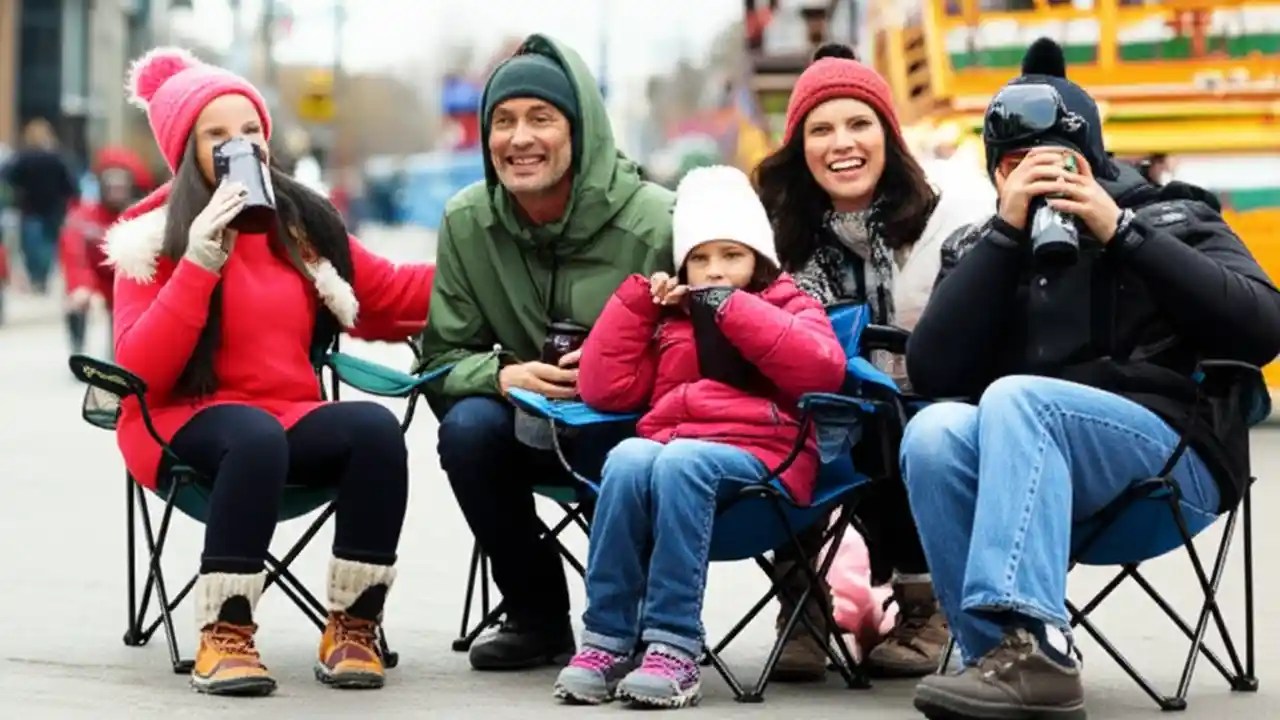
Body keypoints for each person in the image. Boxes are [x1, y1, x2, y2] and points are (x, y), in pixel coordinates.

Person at [901, 38, 1280, 719]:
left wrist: (1121, 229)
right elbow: (930, 373)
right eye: (1016, 166)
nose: (1040, 179)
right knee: (932, 430)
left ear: (1095, 161)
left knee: (1018, 398)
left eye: (1060, 162)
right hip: (1026, 491)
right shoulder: (986, 247)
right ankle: (997, 656)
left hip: (1170, 466)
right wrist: (1006, 237)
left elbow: (1263, 329)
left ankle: (1038, 648)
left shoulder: (1174, 216)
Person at [103, 47, 435, 697]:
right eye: (217, 136)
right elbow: (140, 372)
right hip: (176, 419)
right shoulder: (149, 235)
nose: (240, 146)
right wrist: (198, 263)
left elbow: (390, 294)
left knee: (372, 430)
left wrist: (486, 272)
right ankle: (224, 635)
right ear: (185, 149)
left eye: (251, 130)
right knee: (253, 434)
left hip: (287, 416)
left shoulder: (299, 222)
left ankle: (354, 623)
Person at [417, 33, 675, 672]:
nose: (518, 138)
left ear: (579, 131)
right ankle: (535, 614)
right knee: (468, 429)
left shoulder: (657, 222)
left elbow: (701, 352)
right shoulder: (466, 221)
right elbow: (439, 360)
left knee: (624, 443)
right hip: (526, 419)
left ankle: (634, 619)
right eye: (502, 121)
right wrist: (502, 375)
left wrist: (617, 372)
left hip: (628, 422)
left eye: (540, 118)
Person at [553, 165, 846, 708]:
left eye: (731, 256)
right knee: (628, 458)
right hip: (673, 456)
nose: (714, 272)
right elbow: (604, 390)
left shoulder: (789, 304)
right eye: (700, 258)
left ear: (758, 258)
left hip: (767, 462)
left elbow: (823, 370)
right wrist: (640, 304)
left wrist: (734, 310)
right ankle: (608, 639)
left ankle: (673, 645)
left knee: (678, 460)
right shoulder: (671, 320)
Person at [753, 43, 994, 680]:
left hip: (932, 406)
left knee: (895, 418)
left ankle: (925, 607)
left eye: (859, 124)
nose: (842, 144)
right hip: (824, 409)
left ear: (888, 135)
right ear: (798, 148)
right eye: (821, 129)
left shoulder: (950, 219)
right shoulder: (776, 238)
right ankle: (801, 603)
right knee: (785, 415)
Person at [59, 146, 156, 358]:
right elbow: (74, 254)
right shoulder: (83, 216)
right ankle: (78, 349)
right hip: (95, 279)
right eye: (110, 182)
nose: (115, 188)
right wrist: (82, 286)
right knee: (76, 302)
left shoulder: (143, 217)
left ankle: (120, 352)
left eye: (121, 183)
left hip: (128, 280)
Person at [2, 118, 78, 294]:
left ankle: (36, 277)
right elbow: (70, 184)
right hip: (54, 209)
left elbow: (7, 176)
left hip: (30, 208)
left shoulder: (23, 157)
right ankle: (42, 278)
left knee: (31, 246)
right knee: (48, 245)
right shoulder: (58, 157)